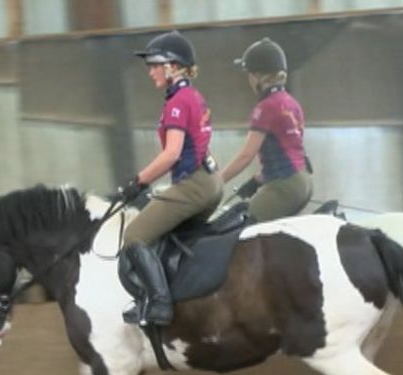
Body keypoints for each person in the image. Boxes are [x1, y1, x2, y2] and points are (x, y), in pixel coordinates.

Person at [118, 30, 223, 327]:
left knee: (134, 236)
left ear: (173, 66)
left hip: (194, 185)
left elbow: (171, 154)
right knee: (165, 234)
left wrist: (137, 182)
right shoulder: (193, 97)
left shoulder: (177, 102)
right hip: (210, 181)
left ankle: (160, 305)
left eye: (154, 64)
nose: (150, 71)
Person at [220, 37, 313, 223]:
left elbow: (246, 156)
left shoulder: (265, 107)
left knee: (241, 227)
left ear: (257, 76)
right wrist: (256, 181)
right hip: (305, 183)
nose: (248, 79)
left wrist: (216, 182)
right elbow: (286, 154)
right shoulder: (292, 104)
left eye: (249, 74)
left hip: (284, 186)